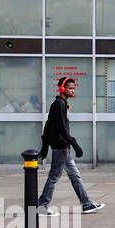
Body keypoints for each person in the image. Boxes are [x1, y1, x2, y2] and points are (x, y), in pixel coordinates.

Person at [37, 77, 104, 215]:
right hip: (61, 148)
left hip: (63, 147)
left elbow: (50, 127)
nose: (73, 90)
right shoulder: (59, 104)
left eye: (74, 88)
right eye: (70, 88)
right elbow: (60, 128)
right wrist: (74, 144)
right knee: (54, 177)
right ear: (62, 88)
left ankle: (86, 204)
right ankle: (41, 206)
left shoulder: (61, 104)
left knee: (75, 176)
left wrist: (47, 145)